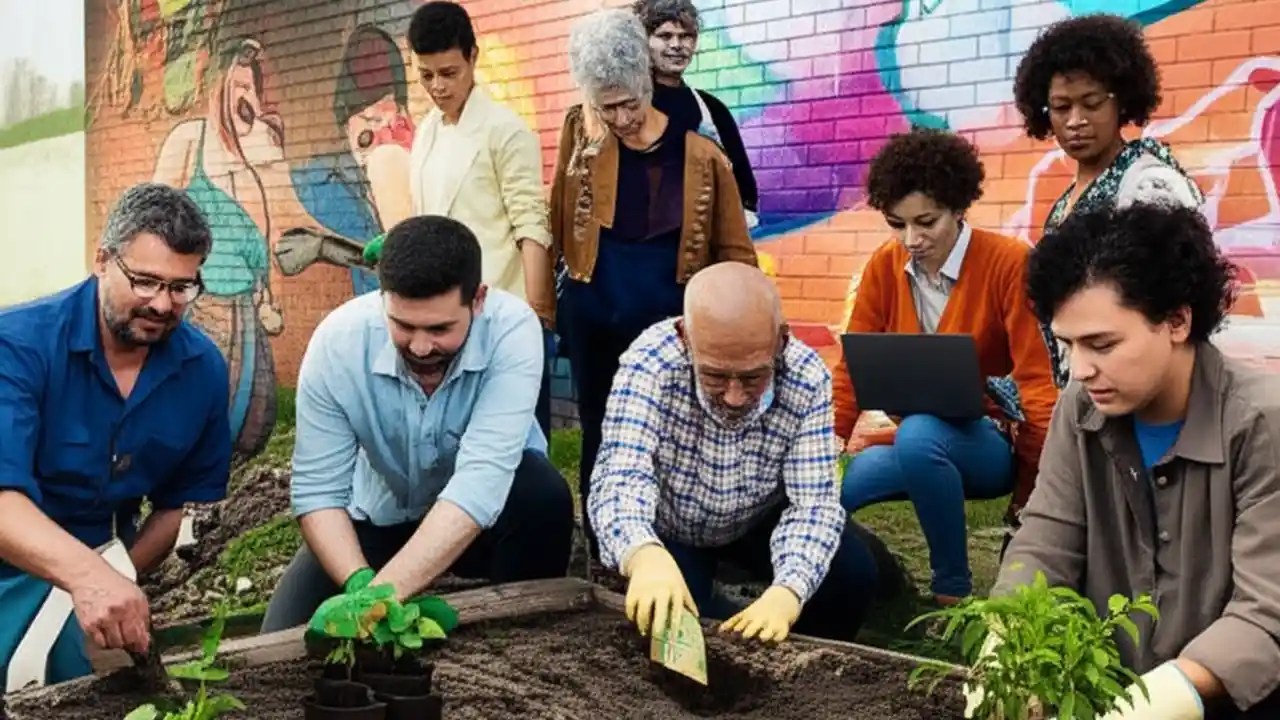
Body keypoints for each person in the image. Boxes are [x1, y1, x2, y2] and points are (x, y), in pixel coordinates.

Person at [993, 202, 1280, 719]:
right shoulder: (1080, 411)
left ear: (1176, 320)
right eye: (1067, 345)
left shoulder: (1262, 422)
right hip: (1103, 690)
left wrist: (1166, 697)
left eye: (1102, 344)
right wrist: (1007, 642)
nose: (1079, 369)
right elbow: (1044, 544)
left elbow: (1267, 610)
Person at [260, 215, 573, 633]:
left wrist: (380, 599)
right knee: (281, 638)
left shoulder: (512, 331)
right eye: (403, 326)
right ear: (383, 297)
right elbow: (318, 489)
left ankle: (522, 637)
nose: (422, 347)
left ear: (478, 300)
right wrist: (359, 583)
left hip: (489, 522)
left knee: (542, 493)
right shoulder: (338, 343)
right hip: (381, 516)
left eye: (440, 328)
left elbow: (480, 482)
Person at [0, 183, 232, 689]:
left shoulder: (203, 370)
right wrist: (86, 577)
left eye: (181, 287)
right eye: (145, 281)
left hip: (107, 563)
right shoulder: (16, 345)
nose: (162, 304)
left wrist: (120, 571)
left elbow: (183, 503)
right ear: (102, 260)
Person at [589, 263, 891, 643]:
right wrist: (643, 554)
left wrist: (789, 591)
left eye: (752, 377)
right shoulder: (649, 363)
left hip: (757, 517)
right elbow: (621, 473)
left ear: (780, 341)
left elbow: (813, 504)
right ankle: (724, 616)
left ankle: (803, 660)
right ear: (685, 338)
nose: (734, 397)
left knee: (851, 572)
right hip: (674, 523)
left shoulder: (807, 376)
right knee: (670, 628)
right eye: (715, 375)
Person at [552, 8, 758, 563]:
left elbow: (737, 249)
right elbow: (558, 216)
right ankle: (604, 543)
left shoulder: (701, 152)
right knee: (599, 427)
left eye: (628, 103)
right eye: (606, 104)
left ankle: (672, 540)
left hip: (668, 320)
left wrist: (745, 321)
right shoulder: (581, 129)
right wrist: (550, 307)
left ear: (647, 85)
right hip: (595, 311)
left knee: (672, 430)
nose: (619, 116)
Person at [833, 128, 1058, 605]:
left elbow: (1038, 382)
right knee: (849, 484)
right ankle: (854, 584)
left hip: (993, 445)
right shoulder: (883, 267)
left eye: (926, 222)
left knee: (917, 434)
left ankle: (951, 590)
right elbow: (851, 369)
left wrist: (1029, 493)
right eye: (897, 224)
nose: (911, 239)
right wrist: (829, 442)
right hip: (923, 443)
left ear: (959, 207)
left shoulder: (1009, 262)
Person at [1013, 12, 1203, 388]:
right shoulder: (1064, 203)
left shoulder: (1150, 182)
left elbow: (1175, 299)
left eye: (1092, 103)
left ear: (1122, 101)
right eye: (1061, 108)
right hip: (1082, 392)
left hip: (1136, 392)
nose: (1075, 120)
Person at [399, 1, 557, 443]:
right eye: (425, 74)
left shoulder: (506, 131)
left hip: (504, 312)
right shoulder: (428, 130)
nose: (437, 86)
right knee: (461, 442)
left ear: (473, 57)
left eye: (448, 73)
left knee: (522, 444)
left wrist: (538, 318)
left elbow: (532, 225)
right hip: (446, 319)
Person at [631, 0, 759, 229]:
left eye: (686, 36)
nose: (677, 45)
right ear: (643, 41)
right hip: (640, 246)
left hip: (700, 244)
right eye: (665, 36)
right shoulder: (627, 107)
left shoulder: (711, 109)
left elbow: (744, 188)